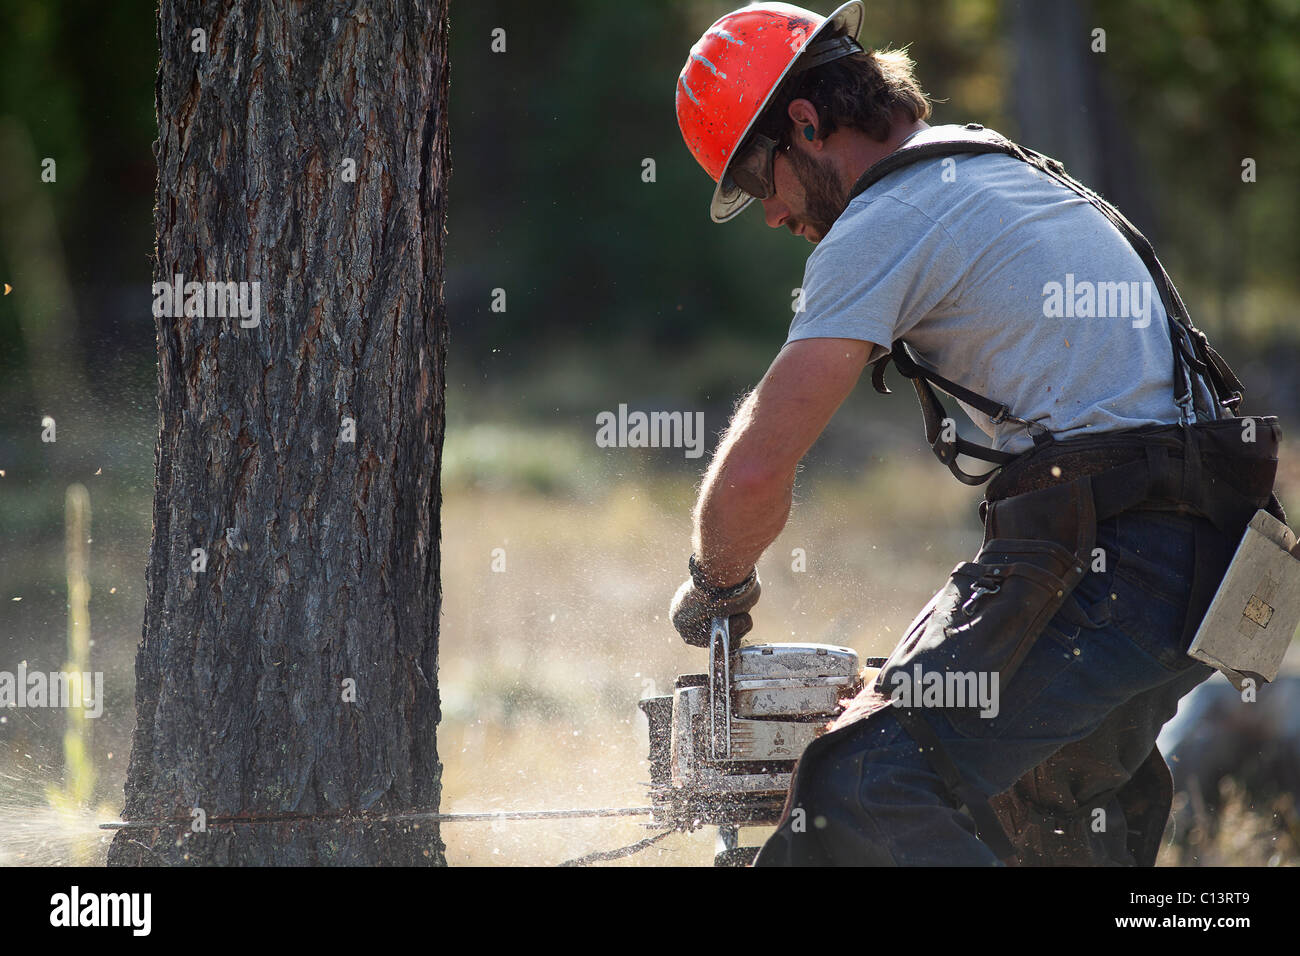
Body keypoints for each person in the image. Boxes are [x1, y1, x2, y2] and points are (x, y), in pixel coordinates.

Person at [669, 1, 1284, 865]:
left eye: (757, 180)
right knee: (1043, 814)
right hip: (1210, 559)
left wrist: (718, 585)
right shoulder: (998, 164)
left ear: (804, 125)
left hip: (1119, 553)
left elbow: (753, 474)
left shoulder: (888, 216)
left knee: (863, 789)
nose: (771, 215)